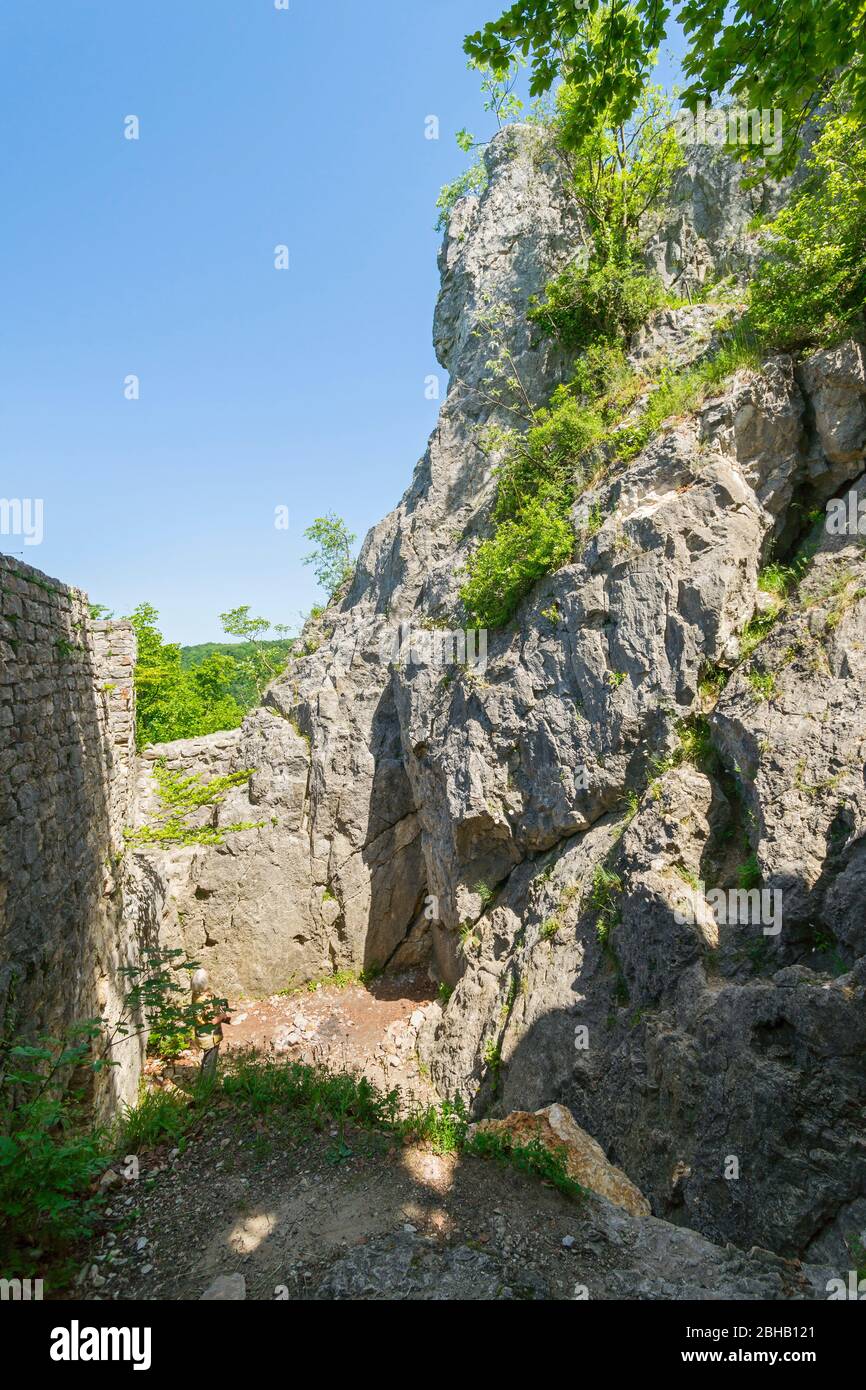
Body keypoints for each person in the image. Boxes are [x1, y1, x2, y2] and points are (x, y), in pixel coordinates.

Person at [190, 968, 230, 1079]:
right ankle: (205, 1087)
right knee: (210, 1063)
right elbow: (213, 1019)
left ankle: (204, 1083)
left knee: (207, 1060)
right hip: (209, 1037)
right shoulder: (204, 1001)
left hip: (202, 1035)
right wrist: (222, 1015)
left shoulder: (196, 996)